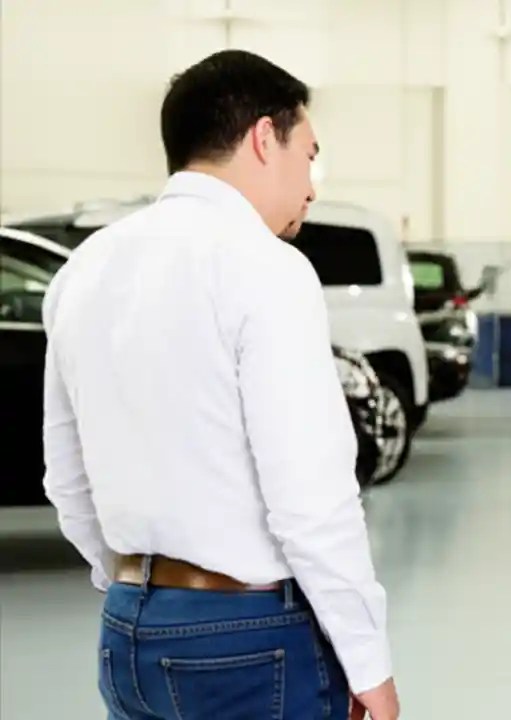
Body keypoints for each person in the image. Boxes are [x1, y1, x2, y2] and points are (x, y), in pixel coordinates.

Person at [41, 49, 399, 719]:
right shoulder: (268, 267)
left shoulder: (82, 269)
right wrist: (367, 660)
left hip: (127, 634)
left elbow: (66, 476)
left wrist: (135, 589)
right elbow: (311, 498)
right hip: (250, 642)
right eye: (309, 155)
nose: (312, 188)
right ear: (265, 138)